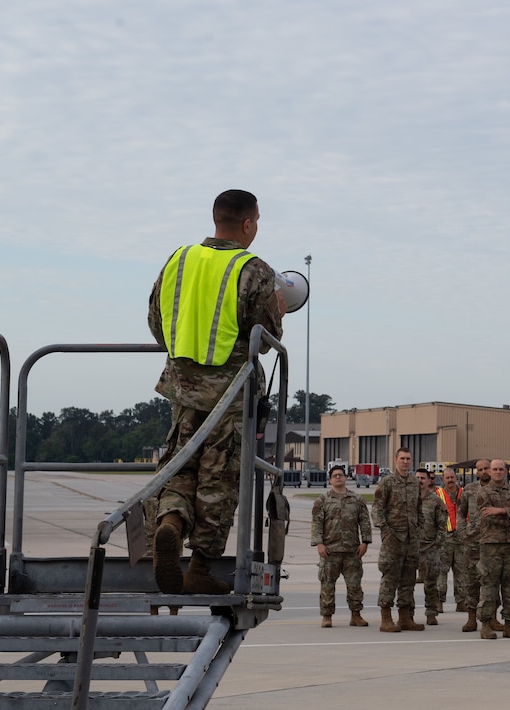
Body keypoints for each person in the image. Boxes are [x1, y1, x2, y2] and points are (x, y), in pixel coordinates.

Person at [148, 189, 284, 596]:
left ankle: (170, 522)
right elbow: (266, 337)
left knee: (180, 464)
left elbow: (157, 324)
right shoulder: (253, 269)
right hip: (229, 395)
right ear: (247, 223)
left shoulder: (180, 259)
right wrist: (277, 306)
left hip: (182, 390)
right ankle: (201, 566)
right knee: (218, 479)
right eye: (256, 221)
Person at [310, 464, 373, 627]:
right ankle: (327, 616)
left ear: (346, 478)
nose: (338, 477)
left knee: (354, 585)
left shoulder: (356, 499)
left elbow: (365, 522)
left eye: (341, 475)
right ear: (330, 480)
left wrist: (365, 542)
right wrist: (319, 543)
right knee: (327, 585)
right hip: (330, 551)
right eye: (335, 475)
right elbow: (317, 523)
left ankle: (356, 615)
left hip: (352, 550)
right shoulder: (322, 500)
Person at [373, 448, 424, 632]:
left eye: (408, 459)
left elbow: (419, 509)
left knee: (408, 579)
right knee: (390, 578)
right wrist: (386, 532)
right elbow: (377, 509)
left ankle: (404, 617)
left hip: (411, 539)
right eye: (402, 458)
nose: (405, 462)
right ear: (395, 460)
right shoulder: (387, 482)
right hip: (393, 538)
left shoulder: (414, 483)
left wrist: (419, 527)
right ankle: (386, 618)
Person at [476, 460, 510, 639]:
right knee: (489, 585)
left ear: (506, 472)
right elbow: (488, 517)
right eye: (495, 469)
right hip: (491, 545)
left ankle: (509, 624)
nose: (498, 472)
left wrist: (500, 511)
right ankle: (486, 623)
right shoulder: (483, 492)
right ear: (489, 472)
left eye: (501, 469)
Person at [456, 460, 490, 632]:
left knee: (491, 581)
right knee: (470, 580)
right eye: (481, 469)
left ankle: (491, 618)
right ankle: (471, 617)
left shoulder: (500, 490)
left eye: (486, 468)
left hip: (492, 542)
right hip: (472, 541)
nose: (484, 472)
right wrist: (462, 531)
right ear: (476, 472)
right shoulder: (469, 489)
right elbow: (461, 512)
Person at [416, 469, 448, 625]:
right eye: (417, 478)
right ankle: (407, 614)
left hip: (430, 548)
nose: (420, 480)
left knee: (430, 583)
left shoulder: (435, 501)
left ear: (429, 481)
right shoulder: (407, 500)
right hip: (410, 548)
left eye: (423, 478)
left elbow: (443, 525)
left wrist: (438, 543)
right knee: (406, 583)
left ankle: (431, 612)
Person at [436, 467, 461, 609]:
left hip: (461, 539)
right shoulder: (437, 495)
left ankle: (461, 601)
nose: (450, 480)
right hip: (444, 539)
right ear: (443, 479)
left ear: (456, 478)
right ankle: (439, 602)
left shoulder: (464, 494)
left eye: (452, 477)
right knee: (441, 572)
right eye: (447, 478)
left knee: (461, 572)